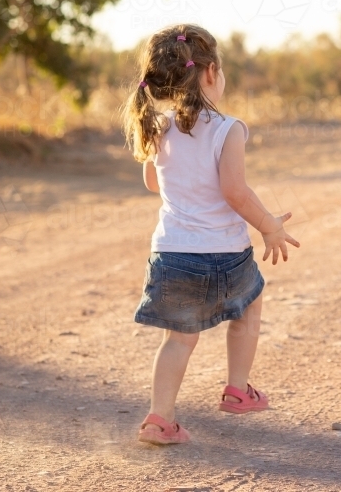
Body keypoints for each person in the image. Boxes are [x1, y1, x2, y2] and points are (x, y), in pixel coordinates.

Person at [121, 24, 300, 444]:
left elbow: (153, 182)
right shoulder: (227, 128)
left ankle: (158, 419)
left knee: (179, 340)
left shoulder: (159, 126)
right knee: (249, 304)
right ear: (210, 72)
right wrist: (269, 225)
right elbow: (235, 191)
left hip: (173, 254)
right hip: (224, 252)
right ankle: (238, 388)